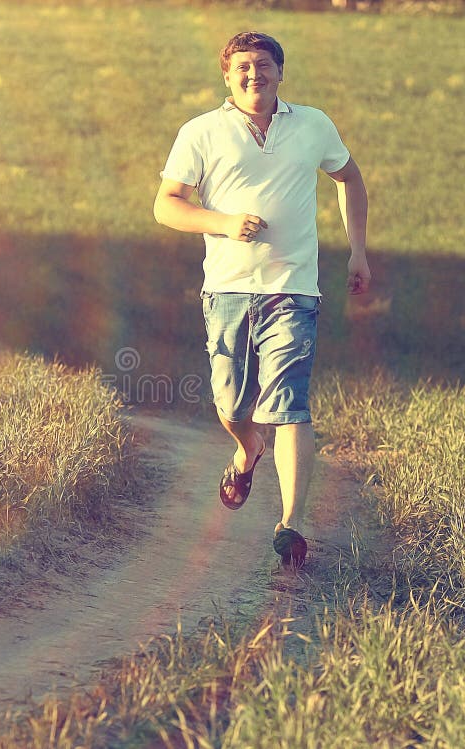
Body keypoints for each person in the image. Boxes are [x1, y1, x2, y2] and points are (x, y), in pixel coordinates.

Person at [153, 31, 370, 566]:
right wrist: (224, 223)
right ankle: (249, 449)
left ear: (280, 72)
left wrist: (358, 253)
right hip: (227, 288)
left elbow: (349, 178)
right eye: (244, 67)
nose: (255, 74)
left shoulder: (313, 125)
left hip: (293, 289)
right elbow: (167, 205)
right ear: (228, 77)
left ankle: (290, 523)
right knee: (230, 403)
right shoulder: (201, 132)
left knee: (289, 403)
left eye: (265, 65)